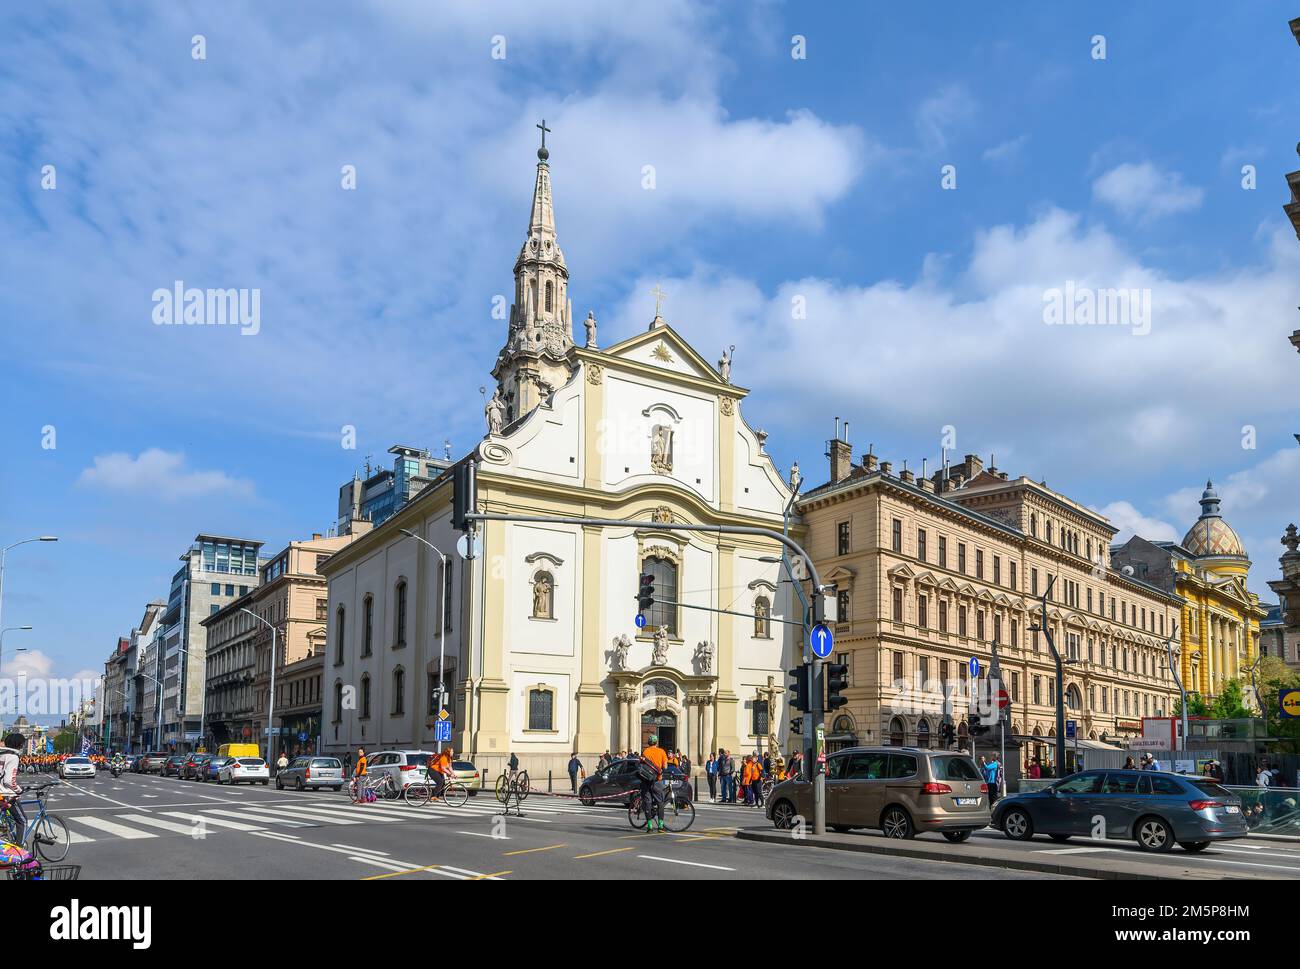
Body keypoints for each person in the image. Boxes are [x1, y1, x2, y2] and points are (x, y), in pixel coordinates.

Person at [639, 734, 669, 832]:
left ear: (649, 743)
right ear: (656, 742)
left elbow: (641, 765)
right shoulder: (661, 751)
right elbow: (665, 767)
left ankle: (650, 826)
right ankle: (660, 826)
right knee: (660, 802)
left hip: (646, 780)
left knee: (647, 802)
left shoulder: (645, 751)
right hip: (656, 780)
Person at [0, 733, 26, 845]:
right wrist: (19, 790)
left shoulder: (2, 755)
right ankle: (20, 853)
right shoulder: (13, 757)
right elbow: (9, 780)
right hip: (6, 794)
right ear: (19, 744)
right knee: (22, 821)